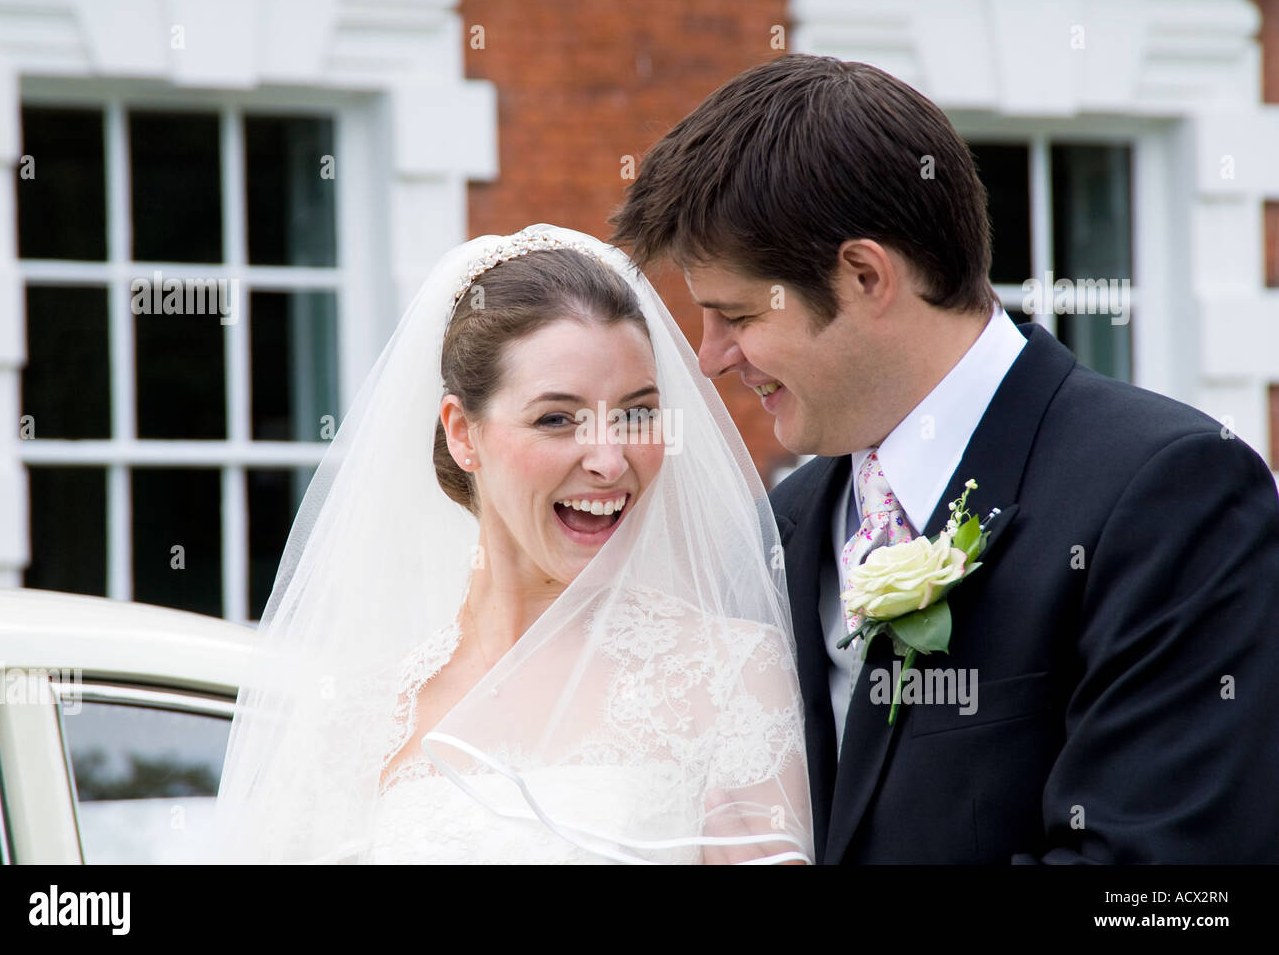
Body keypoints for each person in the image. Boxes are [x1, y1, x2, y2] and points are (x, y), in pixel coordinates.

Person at [609, 53, 1279, 863]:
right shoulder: (778, 530)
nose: (711, 357)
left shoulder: (1172, 492)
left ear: (864, 275)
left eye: (738, 315)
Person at [210, 224, 812, 864]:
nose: (609, 460)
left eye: (637, 414)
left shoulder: (731, 677)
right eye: (557, 418)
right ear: (462, 433)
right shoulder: (358, 718)